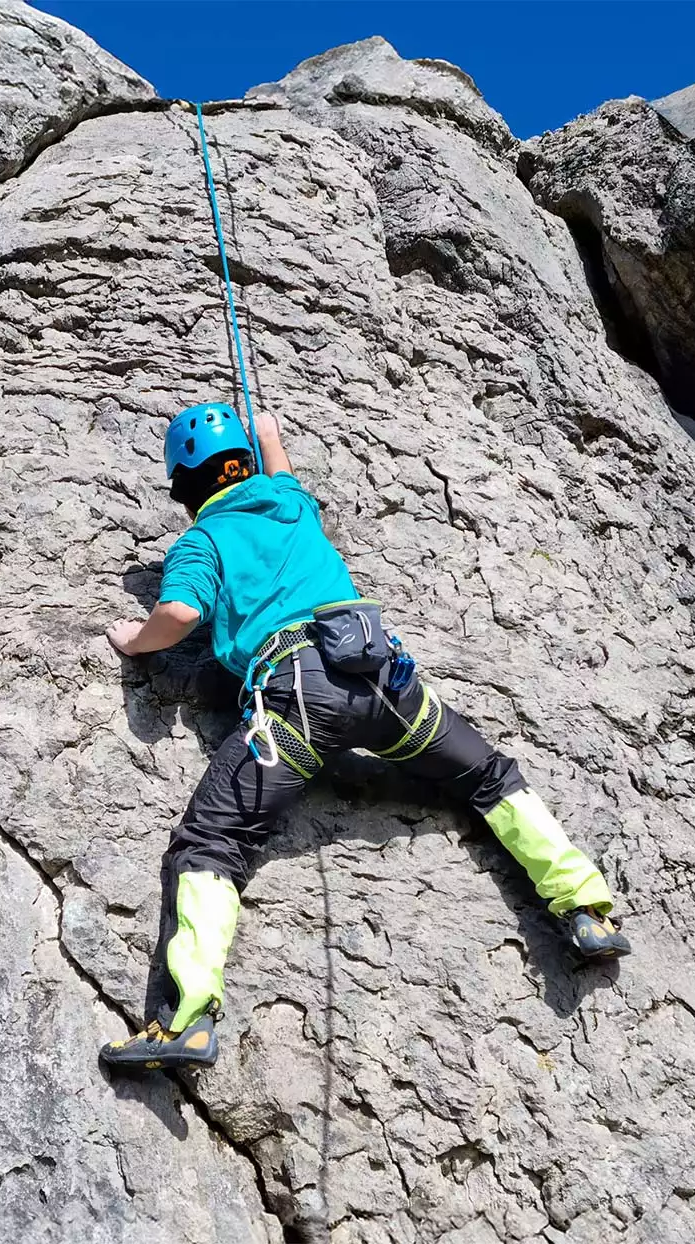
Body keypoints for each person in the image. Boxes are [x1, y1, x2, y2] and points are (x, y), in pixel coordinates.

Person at [99, 402, 628, 1071]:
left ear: (185, 487)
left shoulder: (202, 543)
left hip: (297, 701)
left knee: (213, 840)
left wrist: (134, 640)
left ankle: (189, 1018)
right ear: (246, 464)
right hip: (386, 684)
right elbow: (273, 443)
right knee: (488, 775)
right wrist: (262, 424)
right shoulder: (289, 501)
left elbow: (178, 612)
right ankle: (586, 909)